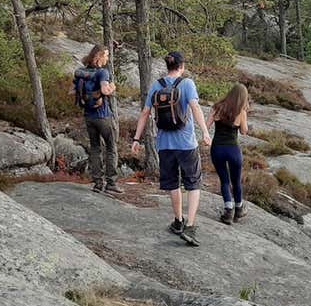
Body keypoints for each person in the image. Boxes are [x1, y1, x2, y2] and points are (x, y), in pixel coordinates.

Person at [131, 51, 211, 247]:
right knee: (193, 183)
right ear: (181, 66)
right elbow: (195, 108)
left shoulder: (156, 85)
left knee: (173, 183)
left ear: (167, 66)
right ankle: (190, 227)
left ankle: (178, 221)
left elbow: (144, 113)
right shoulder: (187, 84)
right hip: (186, 143)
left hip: (164, 144)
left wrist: (136, 138)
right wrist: (205, 132)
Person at [72, 45, 122, 194]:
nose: (107, 58)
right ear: (99, 56)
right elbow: (106, 90)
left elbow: (72, 91)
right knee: (111, 148)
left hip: (88, 116)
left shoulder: (82, 72)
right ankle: (111, 182)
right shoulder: (102, 72)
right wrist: (112, 87)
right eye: (106, 55)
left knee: (95, 148)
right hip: (103, 116)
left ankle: (97, 183)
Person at [206, 83, 249, 225]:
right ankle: (239, 209)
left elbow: (206, 126)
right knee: (236, 181)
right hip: (233, 150)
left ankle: (228, 211)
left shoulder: (217, 107)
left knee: (224, 180)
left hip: (217, 148)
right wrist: (243, 114)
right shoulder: (241, 111)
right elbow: (244, 131)